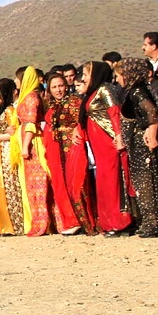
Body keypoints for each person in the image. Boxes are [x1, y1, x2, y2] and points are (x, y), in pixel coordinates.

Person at [113, 58, 158, 237]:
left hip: (141, 142)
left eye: (119, 75)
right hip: (135, 142)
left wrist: (151, 131)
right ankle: (154, 219)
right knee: (144, 181)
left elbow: (151, 111)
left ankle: (153, 221)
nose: (117, 79)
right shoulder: (133, 90)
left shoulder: (137, 91)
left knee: (146, 181)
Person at [78, 61, 133, 236]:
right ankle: (108, 221)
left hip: (108, 141)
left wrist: (118, 136)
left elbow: (114, 112)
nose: (84, 78)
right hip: (98, 144)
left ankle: (120, 221)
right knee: (103, 180)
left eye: (86, 74)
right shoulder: (92, 93)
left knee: (112, 179)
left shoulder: (105, 89)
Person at [42, 72, 93, 235]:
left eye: (61, 86)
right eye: (54, 87)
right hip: (56, 148)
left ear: (67, 86)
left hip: (73, 146)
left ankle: (87, 222)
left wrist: (78, 131)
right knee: (61, 184)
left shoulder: (75, 101)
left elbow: (83, 120)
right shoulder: (51, 105)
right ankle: (72, 221)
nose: (58, 90)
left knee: (77, 182)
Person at [15, 68, 52, 236]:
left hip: (33, 144)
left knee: (39, 184)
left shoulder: (31, 98)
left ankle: (42, 223)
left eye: (18, 79)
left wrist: (25, 146)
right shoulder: (29, 96)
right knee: (32, 184)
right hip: (26, 141)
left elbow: (30, 124)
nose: (16, 82)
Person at [0, 79, 23, 236]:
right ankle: (2, 224)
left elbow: (13, 133)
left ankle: (13, 224)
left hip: (7, 152)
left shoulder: (9, 111)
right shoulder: (1, 111)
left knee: (8, 185)